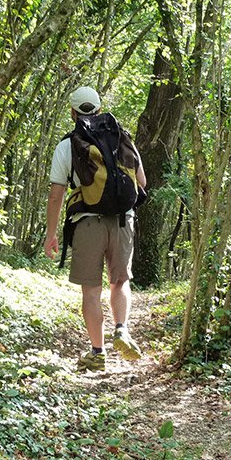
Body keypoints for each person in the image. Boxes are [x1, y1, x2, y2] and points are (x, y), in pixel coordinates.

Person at [43, 86, 147, 372]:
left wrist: (51, 233)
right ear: (100, 110)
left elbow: (56, 194)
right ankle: (122, 329)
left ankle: (97, 352)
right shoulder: (122, 137)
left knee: (91, 290)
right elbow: (142, 181)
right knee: (120, 281)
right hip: (123, 219)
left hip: (87, 221)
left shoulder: (68, 145)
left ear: (73, 113)